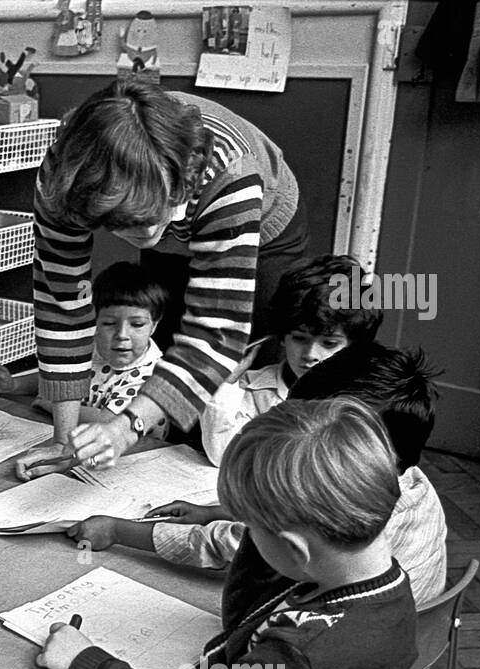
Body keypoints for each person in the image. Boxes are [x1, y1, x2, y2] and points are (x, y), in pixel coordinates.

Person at [26, 398, 417, 669]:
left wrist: (82, 660)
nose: (243, 536)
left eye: (248, 528)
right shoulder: (381, 584)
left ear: (295, 549)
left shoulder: (307, 654)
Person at [17, 76, 307, 481]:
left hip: (265, 223)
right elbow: (61, 302)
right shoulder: (64, 176)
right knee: (166, 335)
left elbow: (216, 334)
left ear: (181, 179)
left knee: (235, 366)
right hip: (175, 210)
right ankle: (163, 466)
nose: (148, 233)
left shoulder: (229, 171)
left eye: (156, 213)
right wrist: (65, 439)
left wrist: (123, 428)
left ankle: (240, 481)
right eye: (125, 224)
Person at [66, 343, 448, 606]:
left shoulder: (353, 512)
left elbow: (228, 545)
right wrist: (216, 509)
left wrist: (118, 531)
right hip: (408, 646)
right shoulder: (404, 481)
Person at [199, 255, 380, 465]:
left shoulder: (367, 396)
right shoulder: (250, 388)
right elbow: (223, 456)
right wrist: (227, 384)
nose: (310, 354)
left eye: (329, 343)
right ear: (282, 337)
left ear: (352, 346)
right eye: (299, 338)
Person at [0, 261, 167, 427]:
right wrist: (13, 385)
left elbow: (108, 420)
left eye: (136, 325)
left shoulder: (153, 374)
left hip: (138, 451)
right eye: (109, 324)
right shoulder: (89, 348)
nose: (122, 335)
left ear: (154, 326)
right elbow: (56, 378)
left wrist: (51, 404)